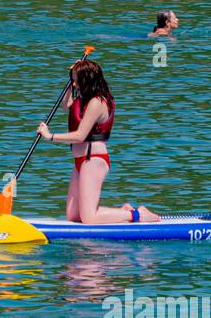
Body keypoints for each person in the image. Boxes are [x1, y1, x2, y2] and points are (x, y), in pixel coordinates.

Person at [35, 57, 161, 225]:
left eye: (76, 81)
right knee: (73, 216)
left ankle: (138, 215)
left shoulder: (97, 102)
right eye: (72, 80)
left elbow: (80, 136)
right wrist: (70, 76)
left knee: (89, 218)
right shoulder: (84, 99)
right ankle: (124, 211)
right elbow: (67, 105)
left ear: (86, 80)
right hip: (80, 160)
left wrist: (50, 136)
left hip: (93, 160)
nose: (74, 84)